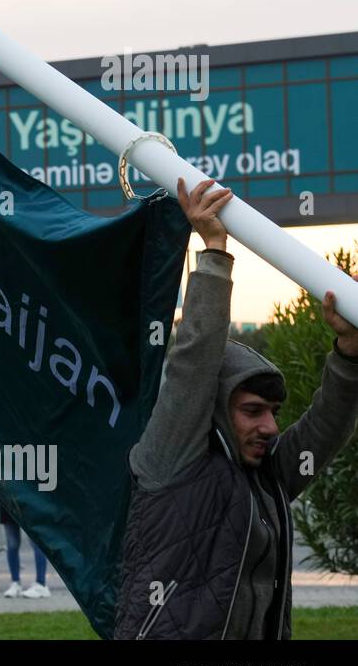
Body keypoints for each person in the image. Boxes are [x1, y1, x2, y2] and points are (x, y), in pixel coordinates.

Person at [115, 179, 358, 640]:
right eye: (252, 411)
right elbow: (194, 362)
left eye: (273, 412)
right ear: (216, 413)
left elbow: (325, 428)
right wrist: (213, 250)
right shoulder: (170, 459)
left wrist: (349, 350)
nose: (269, 426)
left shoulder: (267, 476)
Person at [0, 503, 49, 598]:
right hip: (7, 500)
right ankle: (15, 582)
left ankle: (41, 584)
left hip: (29, 501)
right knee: (12, 543)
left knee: (36, 541)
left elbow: (46, 487)